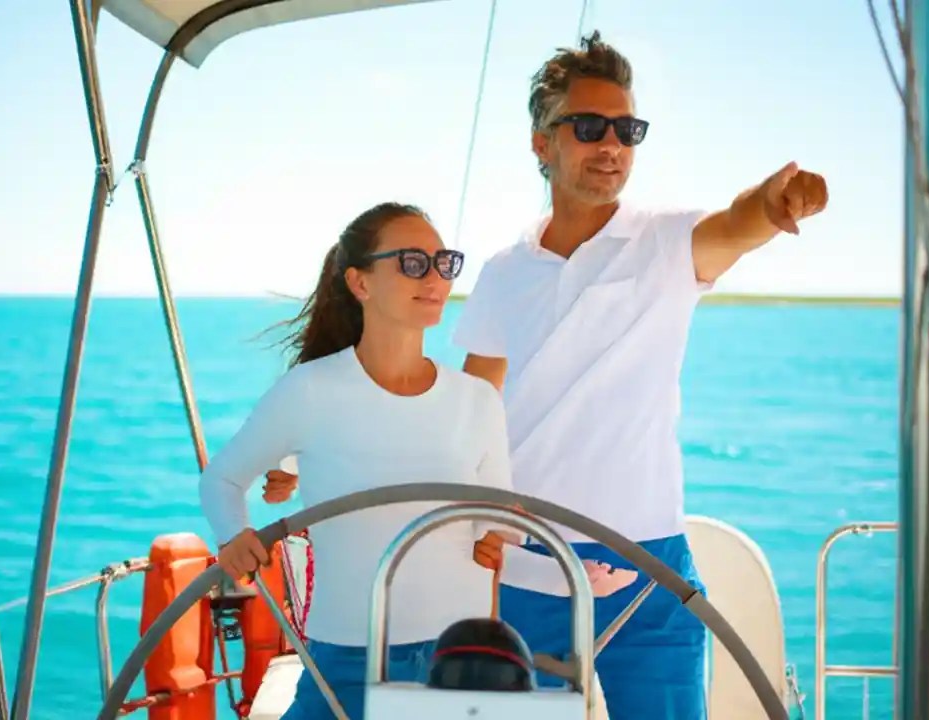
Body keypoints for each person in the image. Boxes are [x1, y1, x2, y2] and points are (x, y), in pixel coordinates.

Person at [264, 32, 828, 720]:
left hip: (648, 570)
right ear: (542, 144)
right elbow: (467, 410)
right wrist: (332, 460)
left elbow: (738, 223)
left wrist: (773, 205)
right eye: (589, 127)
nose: (612, 144)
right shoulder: (505, 273)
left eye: (627, 129)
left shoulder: (668, 241)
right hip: (522, 567)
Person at [200, 201, 620, 720]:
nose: (435, 278)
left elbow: (492, 534)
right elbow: (223, 478)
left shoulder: (477, 400)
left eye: (443, 263)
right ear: (360, 282)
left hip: (460, 660)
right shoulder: (309, 390)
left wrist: (562, 568)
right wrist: (232, 535)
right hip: (346, 658)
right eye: (412, 263)